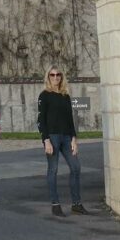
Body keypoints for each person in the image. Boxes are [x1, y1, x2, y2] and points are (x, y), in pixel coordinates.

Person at [37, 66, 85, 216]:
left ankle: (76, 204)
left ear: (62, 77)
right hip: (52, 137)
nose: (55, 77)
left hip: (66, 137)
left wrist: (74, 139)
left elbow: (70, 119)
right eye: (52, 75)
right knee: (53, 169)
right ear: (48, 77)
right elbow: (41, 120)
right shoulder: (44, 95)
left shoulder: (65, 96)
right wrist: (46, 140)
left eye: (58, 75)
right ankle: (55, 204)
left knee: (76, 167)